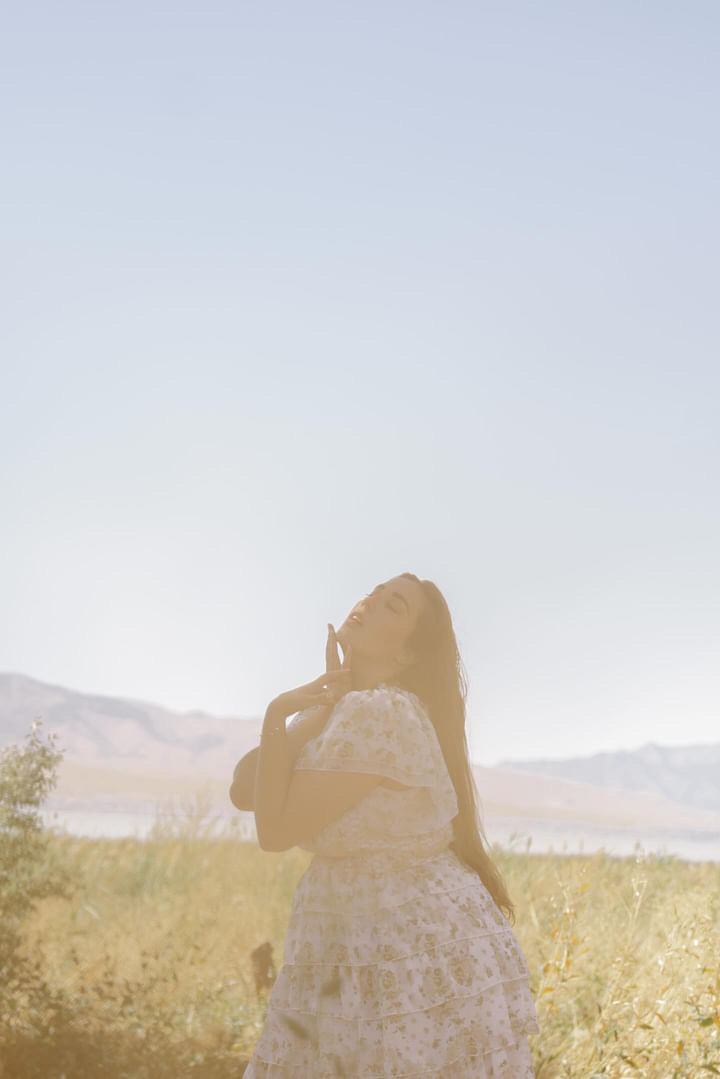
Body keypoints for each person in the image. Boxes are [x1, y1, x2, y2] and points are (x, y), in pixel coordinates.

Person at [232, 572, 539, 1077]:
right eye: (374, 592)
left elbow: (274, 831)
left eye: (392, 606)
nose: (369, 603)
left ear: (409, 655)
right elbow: (245, 787)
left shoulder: (382, 713)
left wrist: (278, 709)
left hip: (407, 952)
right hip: (362, 940)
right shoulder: (353, 710)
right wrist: (315, 708)